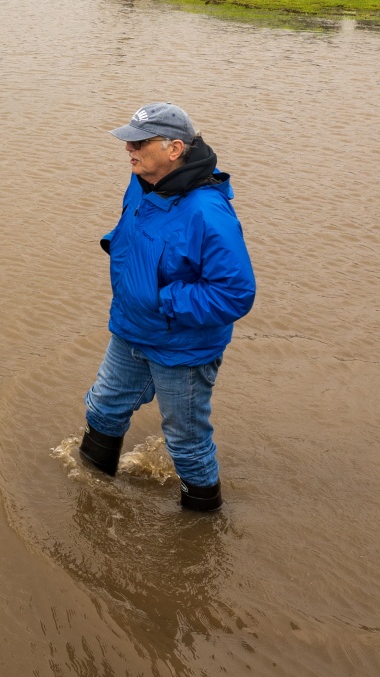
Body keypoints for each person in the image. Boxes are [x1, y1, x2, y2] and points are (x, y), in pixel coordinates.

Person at [80, 103, 255, 513]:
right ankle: (88, 494)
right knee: (102, 409)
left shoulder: (208, 212)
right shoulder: (141, 182)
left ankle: (201, 527)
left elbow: (235, 294)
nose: (130, 149)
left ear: (175, 149)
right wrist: (119, 250)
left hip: (182, 348)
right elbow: (133, 230)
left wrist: (162, 300)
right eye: (129, 140)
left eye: (140, 142)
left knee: (186, 443)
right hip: (130, 330)